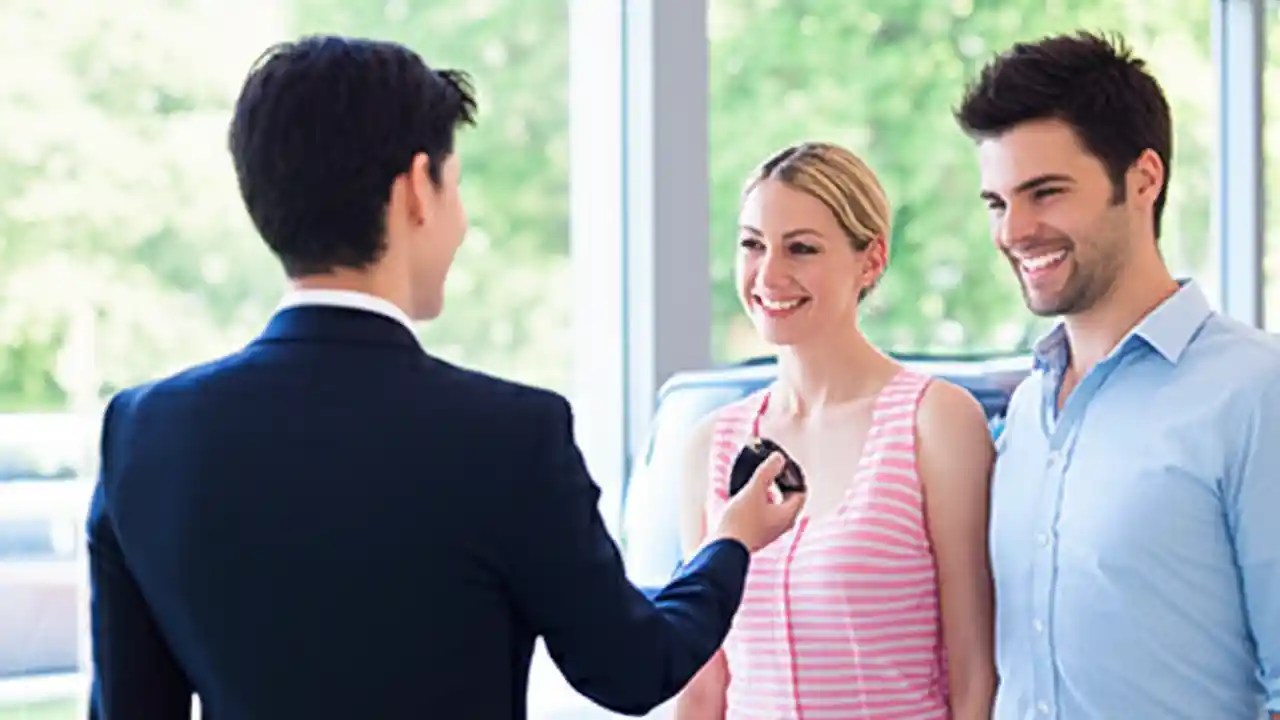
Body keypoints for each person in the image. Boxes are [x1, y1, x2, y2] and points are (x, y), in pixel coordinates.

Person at [85, 35, 806, 720]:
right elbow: (633, 666)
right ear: (415, 193)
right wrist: (729, 542)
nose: (459, 223)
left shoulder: (142, 431)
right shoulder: (509, 435)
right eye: (454, 186)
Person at [955, 31, 1280, 720]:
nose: (1014, 231)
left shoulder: (1256, 393)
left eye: (1045, 192)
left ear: (1143, 179)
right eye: (995, 202)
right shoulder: (1028, 409)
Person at [674, 141, 996, 719]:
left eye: (801, 249)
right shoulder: (708, 446)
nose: (769, 274)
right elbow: (702, 688)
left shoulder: (937, 423)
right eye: (752, 244)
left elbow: (975, 672)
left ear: (870, 260)